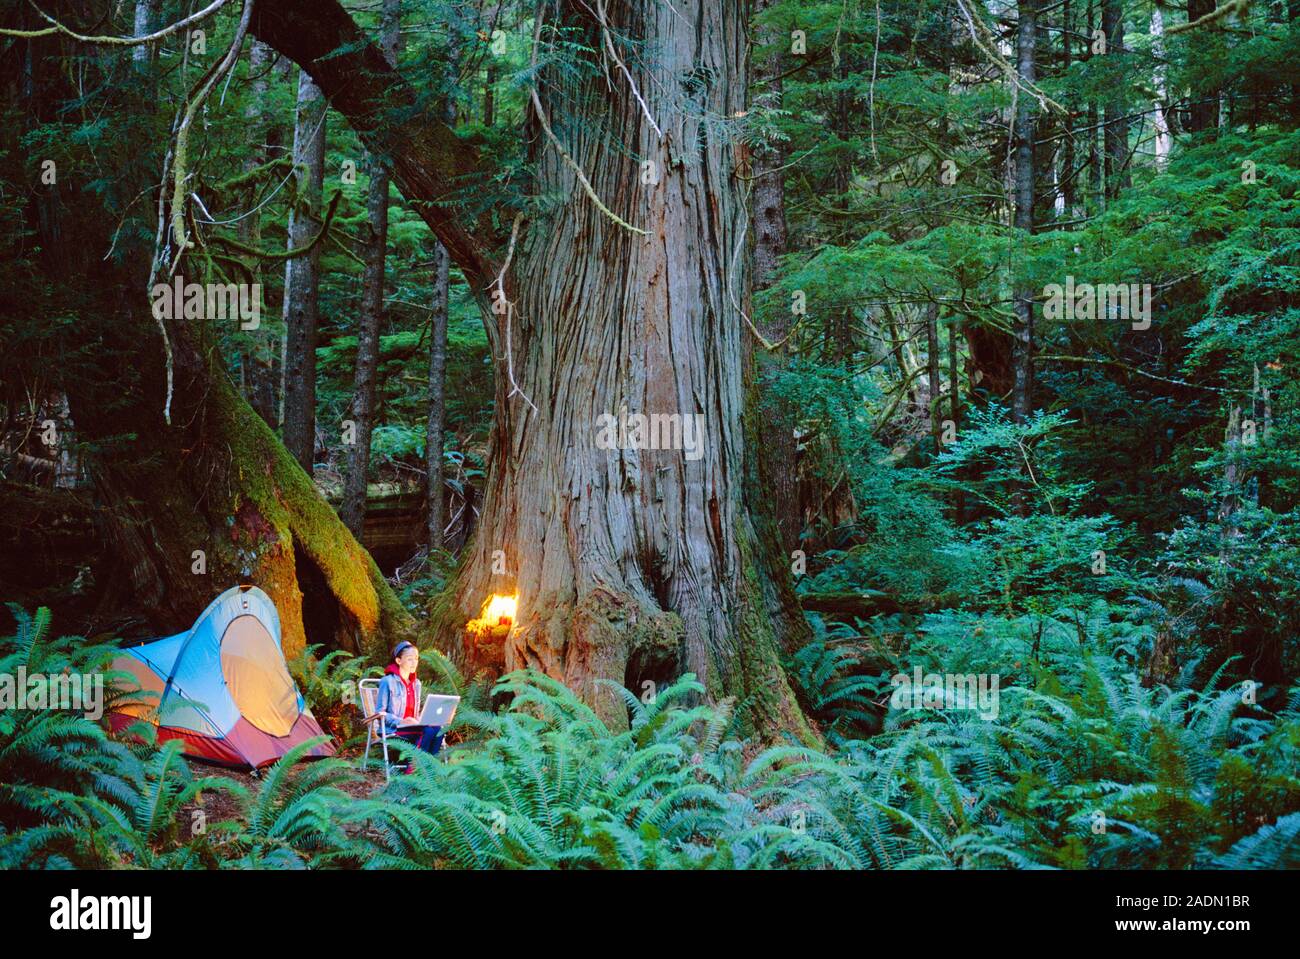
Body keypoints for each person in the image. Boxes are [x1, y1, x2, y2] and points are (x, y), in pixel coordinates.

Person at [374, 641, 445, 771]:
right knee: (428, 731)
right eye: (409, 659)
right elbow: (380, 713)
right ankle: (413, 771)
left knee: (438, 730)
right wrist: (402, 721)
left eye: (416, 659)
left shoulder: (416, 683)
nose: (414, 663)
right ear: (398, 660)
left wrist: (421, 720)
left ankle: (430, 771)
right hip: (394, 728)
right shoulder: (387, 681)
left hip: (413, 727)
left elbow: (415, 713)